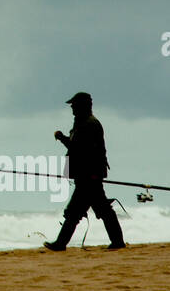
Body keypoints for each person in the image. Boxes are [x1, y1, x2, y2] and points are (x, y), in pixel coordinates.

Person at [43, 92, 126, 251]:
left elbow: (81, 149)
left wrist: (62, 138)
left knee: (74, 212)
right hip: (87, 176)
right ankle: (117, 242)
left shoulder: (89, 124)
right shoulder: (83, 123)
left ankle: (60, 244)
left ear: (83, 106)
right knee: (102, 210)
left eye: (74, 105)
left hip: (89, 177)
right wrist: (63, 138)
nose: (72, 108)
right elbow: (78, 148)